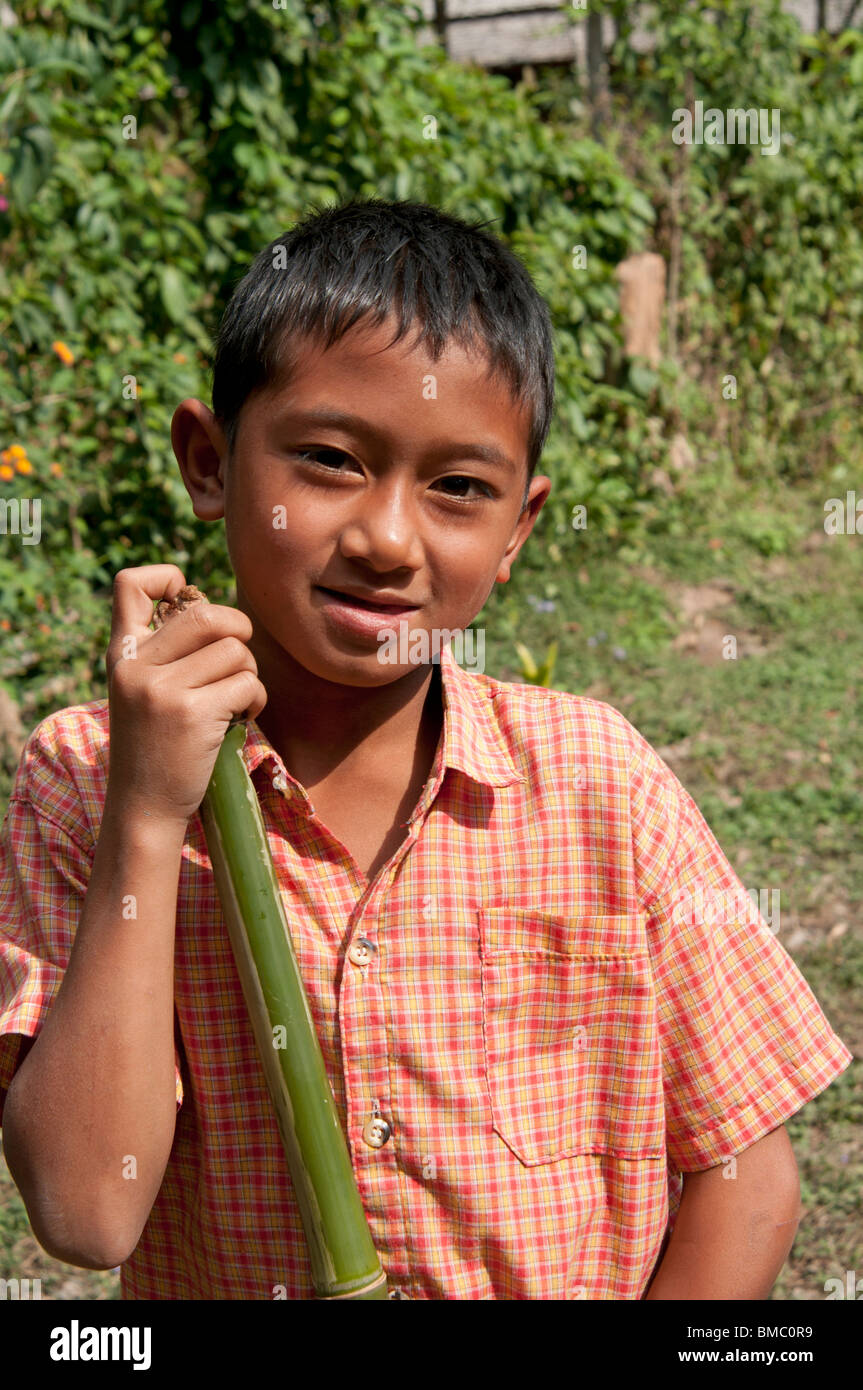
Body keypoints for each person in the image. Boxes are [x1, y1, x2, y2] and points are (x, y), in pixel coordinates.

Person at [0, 198, 852, 1300]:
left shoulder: (600, 782)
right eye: (327, 459)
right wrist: (150, 816)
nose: (387, 539)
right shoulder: (88, 776)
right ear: (208, 463)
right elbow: (85, 1207)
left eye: (457, 488)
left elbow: (745, 1169)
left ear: (517, 530)